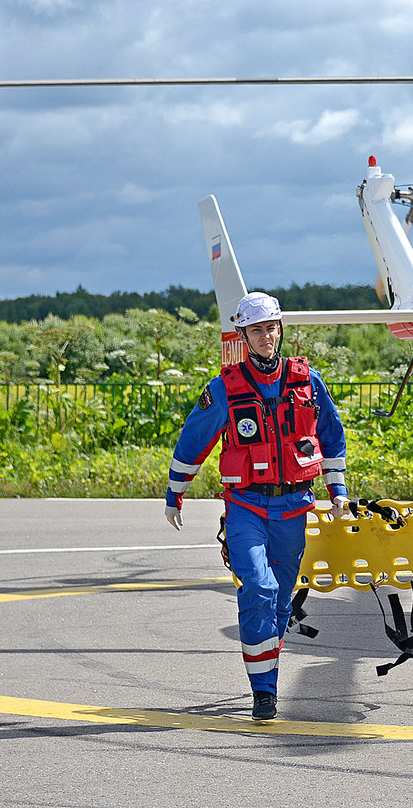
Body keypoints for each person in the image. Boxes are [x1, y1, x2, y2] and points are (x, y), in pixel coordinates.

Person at [163, 291, 348, 721]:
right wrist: (176, 492)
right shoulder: (224, 389)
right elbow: (195, 440)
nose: (265, 337)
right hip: (246, 508)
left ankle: (268, 664)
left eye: (271, 328)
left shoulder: (308, 382)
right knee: (259, 591)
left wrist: (337, 489)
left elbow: (331, 436)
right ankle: (264, 692)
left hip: (293, 508)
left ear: (279, 330)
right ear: (243, 335)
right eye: (256, 330)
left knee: (281, 602)